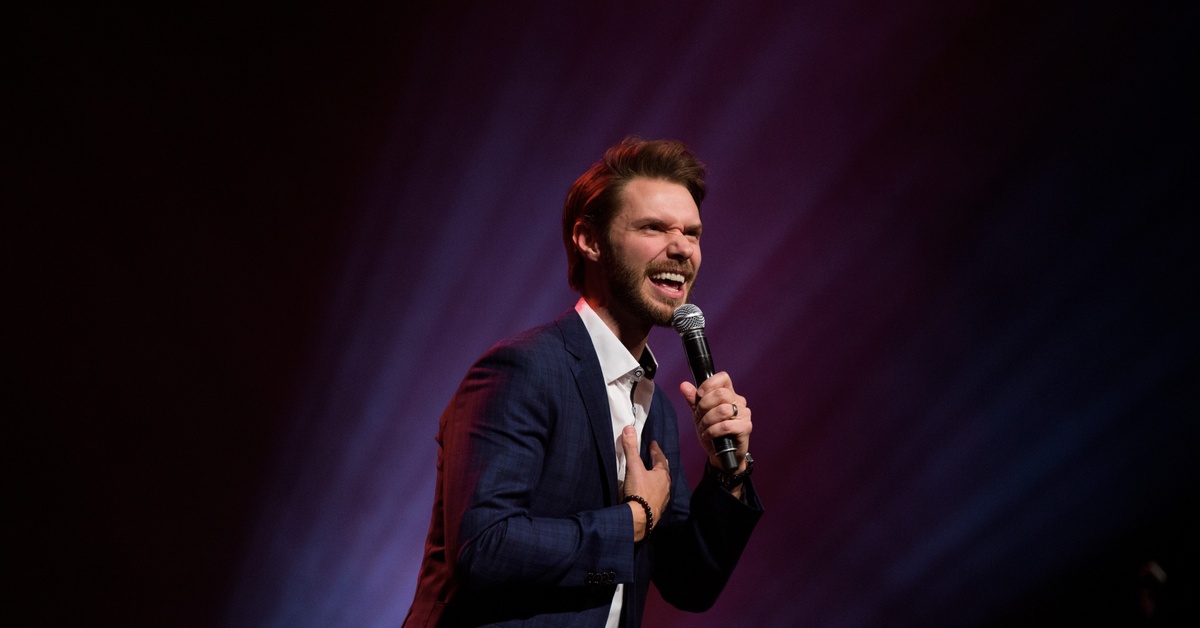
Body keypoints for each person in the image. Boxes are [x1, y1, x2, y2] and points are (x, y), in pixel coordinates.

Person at [404, 137, 762, 627]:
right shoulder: (524, 369)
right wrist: (634, 520)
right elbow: (483, 551)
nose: (681, 247)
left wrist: (729, 474)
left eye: (693, 234)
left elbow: (688, 584)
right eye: (654, 228)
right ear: (589, 241)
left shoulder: (655, 408)